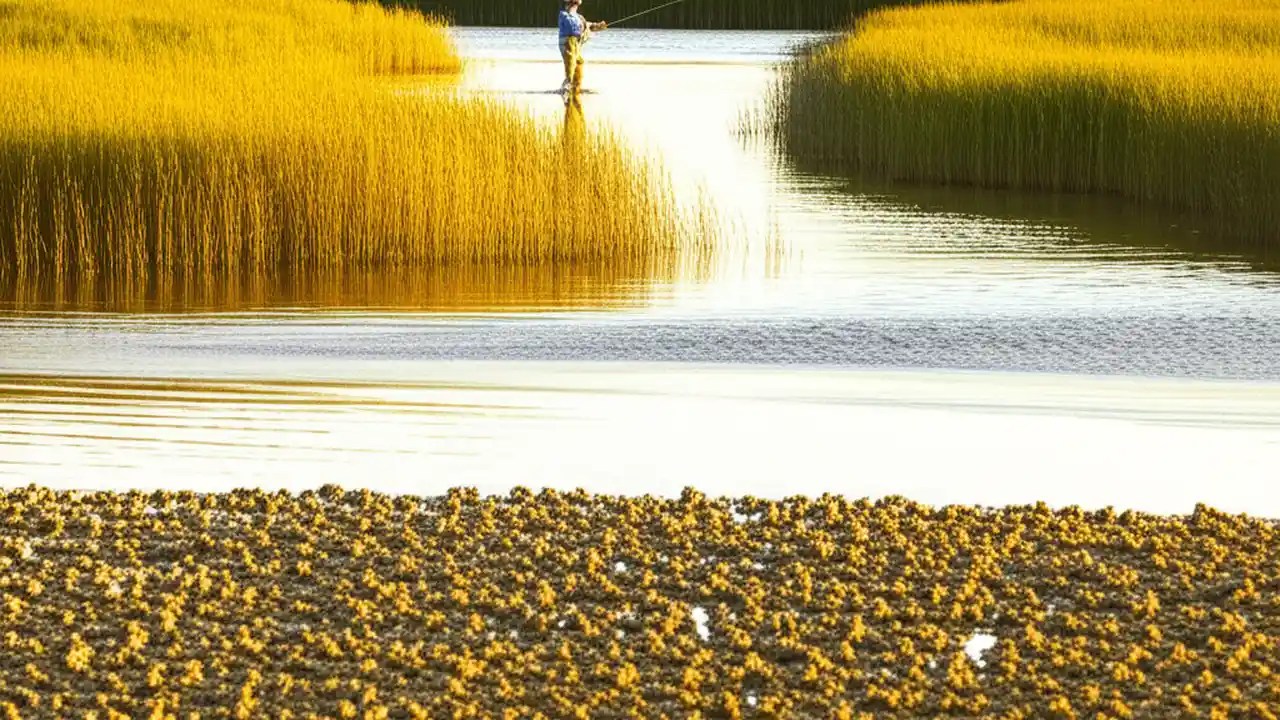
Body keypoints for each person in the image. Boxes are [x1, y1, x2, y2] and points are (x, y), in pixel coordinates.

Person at [559, 0, 606, 95]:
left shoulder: (579, 17)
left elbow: (587, 25)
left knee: (579, 63)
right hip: (568, 43)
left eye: (575, 4)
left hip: (576, 44)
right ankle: (566, 87)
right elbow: (571, 27)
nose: (574, 6)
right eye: (573, 4)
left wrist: (598, 26)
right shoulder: (564, 15)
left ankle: (576, 86)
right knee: (570, 64)